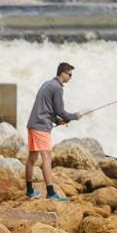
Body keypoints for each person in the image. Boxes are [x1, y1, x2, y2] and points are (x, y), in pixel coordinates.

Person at [25, 61, 81, 200]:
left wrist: (57, 120)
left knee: (32, 158)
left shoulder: (47, 84)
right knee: (47, 158)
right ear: (62, 73)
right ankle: (51, 193)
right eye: (70, 74)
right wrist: (74, 117)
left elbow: (47, 108)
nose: (70, 77)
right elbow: (60, 111)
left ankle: (30, 190)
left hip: (33, 124)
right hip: (41, 126)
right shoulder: (57, 87)